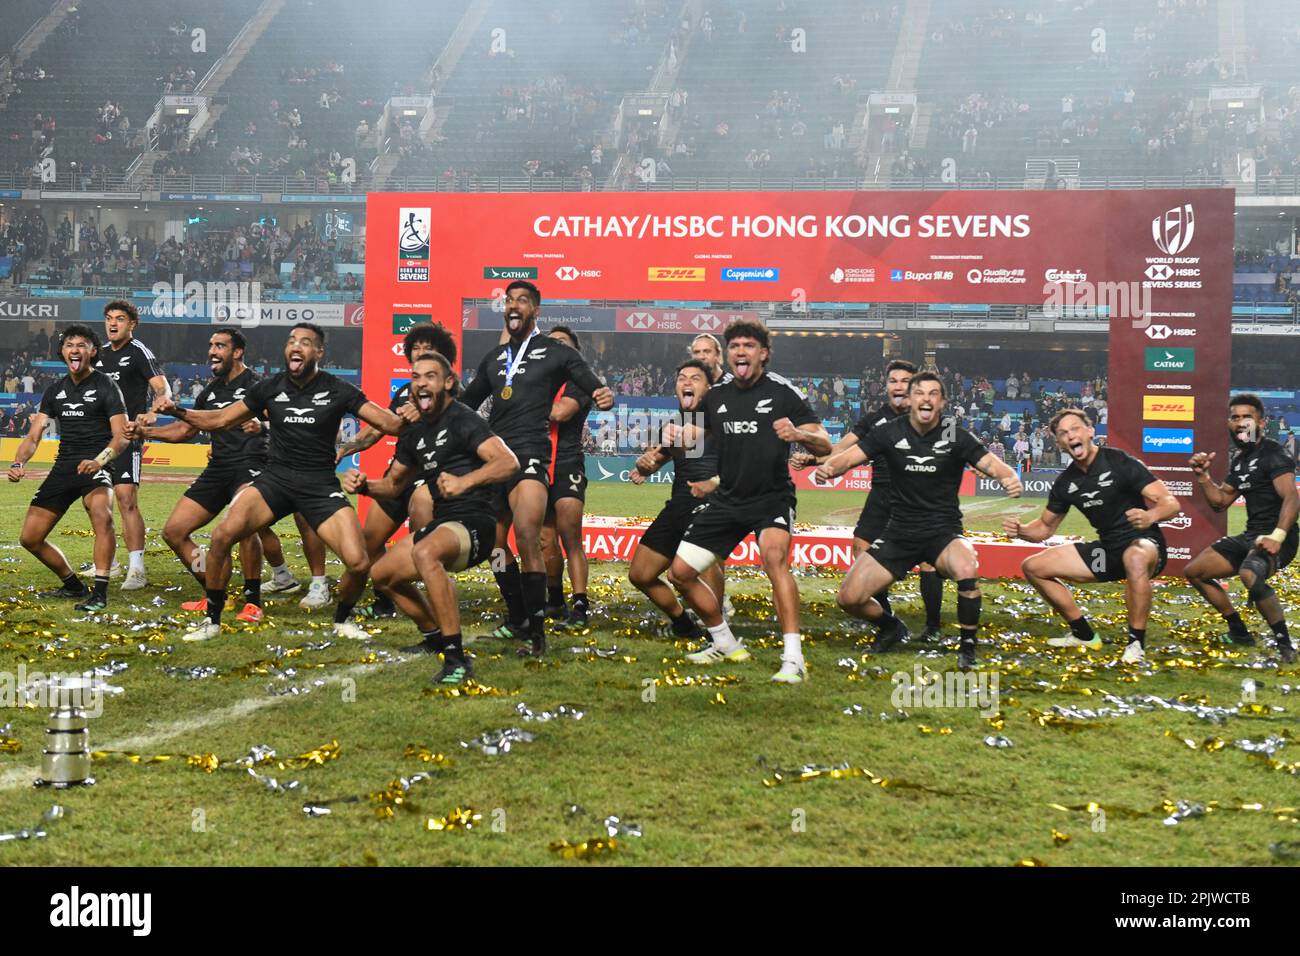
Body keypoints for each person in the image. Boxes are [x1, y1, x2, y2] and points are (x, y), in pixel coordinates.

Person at [153, 322, 408, 642]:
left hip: (319, 485)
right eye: (291, 341)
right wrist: (177, 410)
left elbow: (389, 423)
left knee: (357, 563)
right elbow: (219, 419)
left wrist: (420, 412)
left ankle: (343, 619)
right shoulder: (269, 387)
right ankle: (213, 620)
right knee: (222, 535)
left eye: (305, 342)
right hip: (275, 479)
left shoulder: (339, 389)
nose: (296, 346)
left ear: (318, 352)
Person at [817, 372, 1022, 670]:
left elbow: (992, 464)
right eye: (920, 393)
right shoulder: (889, 432)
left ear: (942, 402)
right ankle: (891, 626)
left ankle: (968, 649)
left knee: (967, 566)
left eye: (933, 393)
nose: (926, 398)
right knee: (848, 598)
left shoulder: (955, 434)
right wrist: (828, 468)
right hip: (899, 533)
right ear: (911, 399)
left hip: (943, 533)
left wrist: (1009, 477)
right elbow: (848, 458)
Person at [668, 320, 832, 683]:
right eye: (735, 346)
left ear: (763, 354)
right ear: (729, 354)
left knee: (774, 559)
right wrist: (673, 439)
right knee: (679, 574)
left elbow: (824, 442)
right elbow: (695, 437)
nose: (741, 351)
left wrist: (798, 433)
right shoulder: (718, 395)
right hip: (727, 499)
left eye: (749, 346)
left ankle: (793, 658)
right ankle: (724, 642)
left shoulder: (782, 392)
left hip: (770, 498)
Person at [458, 280, 613, 657]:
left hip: (530, 454)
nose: (514, 306)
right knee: (494, 545)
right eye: (509, 301)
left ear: (535, 311)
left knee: (528, 533)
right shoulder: (495, 360)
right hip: (495, 457)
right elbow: (467, 403)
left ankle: (537, 635)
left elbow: (589, 381)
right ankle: (518, 617)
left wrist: (600, 393)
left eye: (522, 301)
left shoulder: (555, 351)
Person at [344, 353, 518, 685]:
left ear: (448, 383)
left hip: (477, 522)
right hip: (445, 522)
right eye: (416, 376)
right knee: (381, 575)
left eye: (430, 376)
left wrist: (465, 482)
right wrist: (365, 486)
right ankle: (434, 635)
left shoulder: (463, 419)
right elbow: (394, 485)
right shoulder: (414, 434)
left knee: (425, 552)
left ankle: (457, 660)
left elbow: (508, 463)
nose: (421, 383)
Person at [127, 328, 291, 622]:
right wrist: (146, 432)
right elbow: (186, 430)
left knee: (243, 525)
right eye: (211, 346)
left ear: (237, 352)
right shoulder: (210, 391)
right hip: (218, 469)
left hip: (252, 465)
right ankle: (216, 591)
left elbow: (285, 424)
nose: (212, 352)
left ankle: (253, 600)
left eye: (220, 346)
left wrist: (263, 428)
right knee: (174, 532)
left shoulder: (259, 385)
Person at [1005, 408, 1178, 664]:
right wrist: (1021, 531)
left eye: (1075, 428)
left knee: (1135, 557)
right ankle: (1084, 635)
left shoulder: (1119, 461)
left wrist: (1150, 517)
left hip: (1146, 545)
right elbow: (1044, 528)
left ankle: (1136, 644)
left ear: (1090, 432)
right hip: (1106, 553)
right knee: (1033, 566)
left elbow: (1170, 503)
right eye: (1063, 433)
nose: (1070, 436)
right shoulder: (1065, 483)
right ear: (1059, 443)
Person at [797, 359, 948, 641]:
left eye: (905, 381)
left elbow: (951, 450)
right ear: (886, 386)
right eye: (893, 381)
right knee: (861, 547)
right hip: (881, 494)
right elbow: (842, 449)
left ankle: (933, 627)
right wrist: (813, 460)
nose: (899, 386)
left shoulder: (933, 417)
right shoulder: (874, 419)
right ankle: (886, 618)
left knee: (929, 560)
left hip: (918, 497)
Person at [333, 322, 458, 619]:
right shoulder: (404, 392)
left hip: (429, 483)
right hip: (396, 480)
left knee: (421, 549)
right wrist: (342, 450)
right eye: (415, 348)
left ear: (442, 357)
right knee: (369, 542)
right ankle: (385, 600)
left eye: (428, 348)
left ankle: (434, 607)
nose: (420, 352)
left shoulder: (454, 393)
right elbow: (378, 429)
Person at [8, 324, 128, 611]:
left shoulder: (106, 386)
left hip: (96, 465)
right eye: (69, 344)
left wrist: (99, 461)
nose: (74, 349)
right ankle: (73, 585)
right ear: (62, 352)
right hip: (64, 467)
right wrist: (17, 462)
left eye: (82, 344)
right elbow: (33, 436)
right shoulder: (54, 390)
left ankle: (99, 593)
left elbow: (121, 436)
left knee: (102, 514)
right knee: (30, 538)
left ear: (92, 351)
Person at [1184, 394, 1297, 663]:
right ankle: (1239, 632)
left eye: (1247, 416)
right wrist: (1203, 477)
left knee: (1249, 572)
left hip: (1280, 537)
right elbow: (1220, 502)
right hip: (1250, 536)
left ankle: (1285, 645)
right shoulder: (1241, 459)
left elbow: (1291, 497)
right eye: (1235, 417)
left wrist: (1278, 536)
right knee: (1195, 572)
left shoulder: (1273, 453)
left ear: (1261, 421)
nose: (1239, 422)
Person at [627, 359, 724, 642]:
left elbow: (685, 442)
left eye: (695, 378)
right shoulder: (672, 426)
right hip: (679, 505)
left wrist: (668, 444)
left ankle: (716, 633)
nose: (687, 382)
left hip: (712, 504)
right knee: (641, 574)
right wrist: (644, 464)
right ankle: (684, 624)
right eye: (682, 378)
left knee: (702, 567)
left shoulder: (719, 419)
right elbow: (651, 463)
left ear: (708, 388)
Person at [93, 300, 172, 590]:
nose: (113, 323)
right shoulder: (97, 355)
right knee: (96, 502)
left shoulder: (139, 353)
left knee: (126, 500)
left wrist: (152, 413)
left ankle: (137, 570)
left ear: (132, 324)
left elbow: (163, 388)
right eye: (109, 318)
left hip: (127, 438)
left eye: (120, 319)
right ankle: (109, 564)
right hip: (99, 440)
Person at [540, 326, 593, 627]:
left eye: (563, 343)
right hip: (538, 464)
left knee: (570, 535)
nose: (556, 347)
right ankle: (555, 601)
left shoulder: (579, 382)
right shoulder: (537, 382)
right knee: (545, 538)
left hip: (567, 465)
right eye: (551, 343)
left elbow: (560, 413)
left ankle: (580, 605)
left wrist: (525, 401)